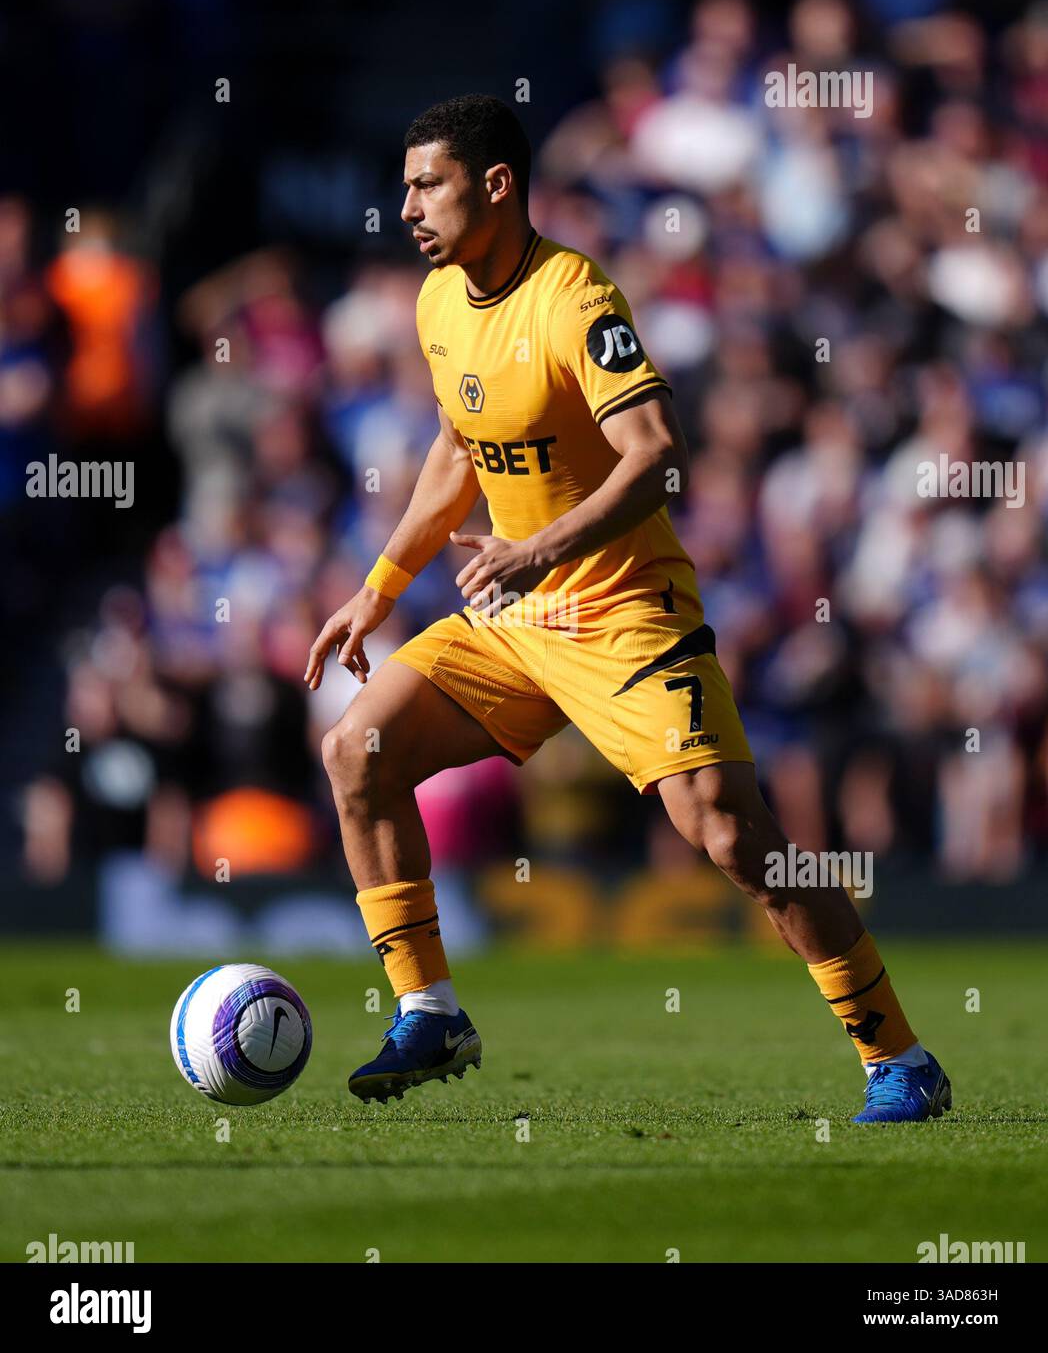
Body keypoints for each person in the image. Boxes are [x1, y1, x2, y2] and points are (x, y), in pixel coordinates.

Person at [305, 94, 950, 1123]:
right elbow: (455, 449)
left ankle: (898, 1056)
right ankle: (429, 1009)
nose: (407, 207)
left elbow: (655, 456)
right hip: (517, 618)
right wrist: (376, 590)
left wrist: (540, 550)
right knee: (357, 753)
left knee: (736, 841)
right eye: (405, 186)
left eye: (427, 184)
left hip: (621, 612)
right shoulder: (437, 302)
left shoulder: (575, 299)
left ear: (497, 184)